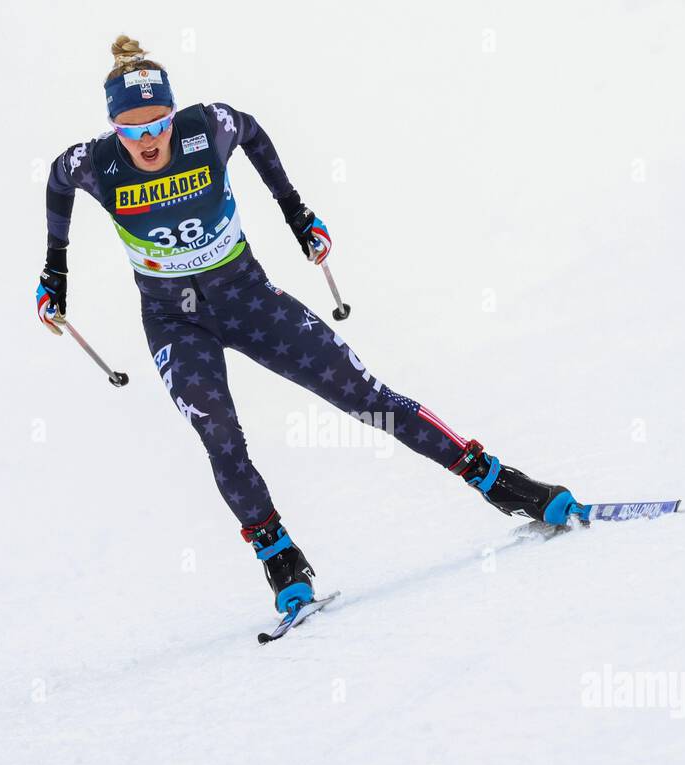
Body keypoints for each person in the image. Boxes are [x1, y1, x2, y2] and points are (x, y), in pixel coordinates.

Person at [37, 34, 579, 616]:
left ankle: (496, 480)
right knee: (218, 434)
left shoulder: (207, 127)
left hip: (246, 297)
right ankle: (280, 558)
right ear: (114, 128)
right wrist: (54, 271)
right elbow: (57, 180)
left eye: (158, 124)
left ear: (173, 114)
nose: (148, 140)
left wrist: (298, 215)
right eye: (132, 130)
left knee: (364, 396)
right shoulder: (94, 162)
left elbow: (251, 131)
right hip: (174, 321)